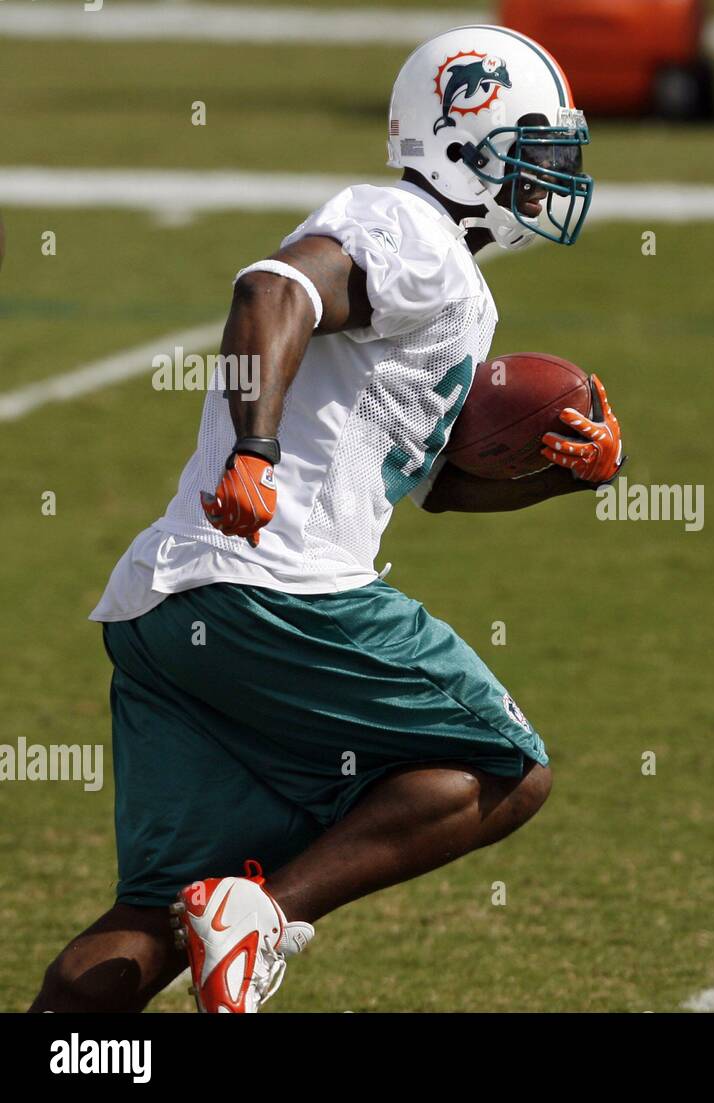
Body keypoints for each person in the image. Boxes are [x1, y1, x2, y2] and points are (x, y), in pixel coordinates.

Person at [31, 25, 622, 1014]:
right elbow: (274, 288)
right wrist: (253, 450)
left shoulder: (454, 287)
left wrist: (565, 473)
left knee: (152, 914)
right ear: (462, 141)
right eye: (534, 153)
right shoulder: (412, 230)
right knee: (504, 768)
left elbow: (433, 483)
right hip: (280, 588)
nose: (549, 180)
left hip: (172, 608)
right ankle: (266, 913)